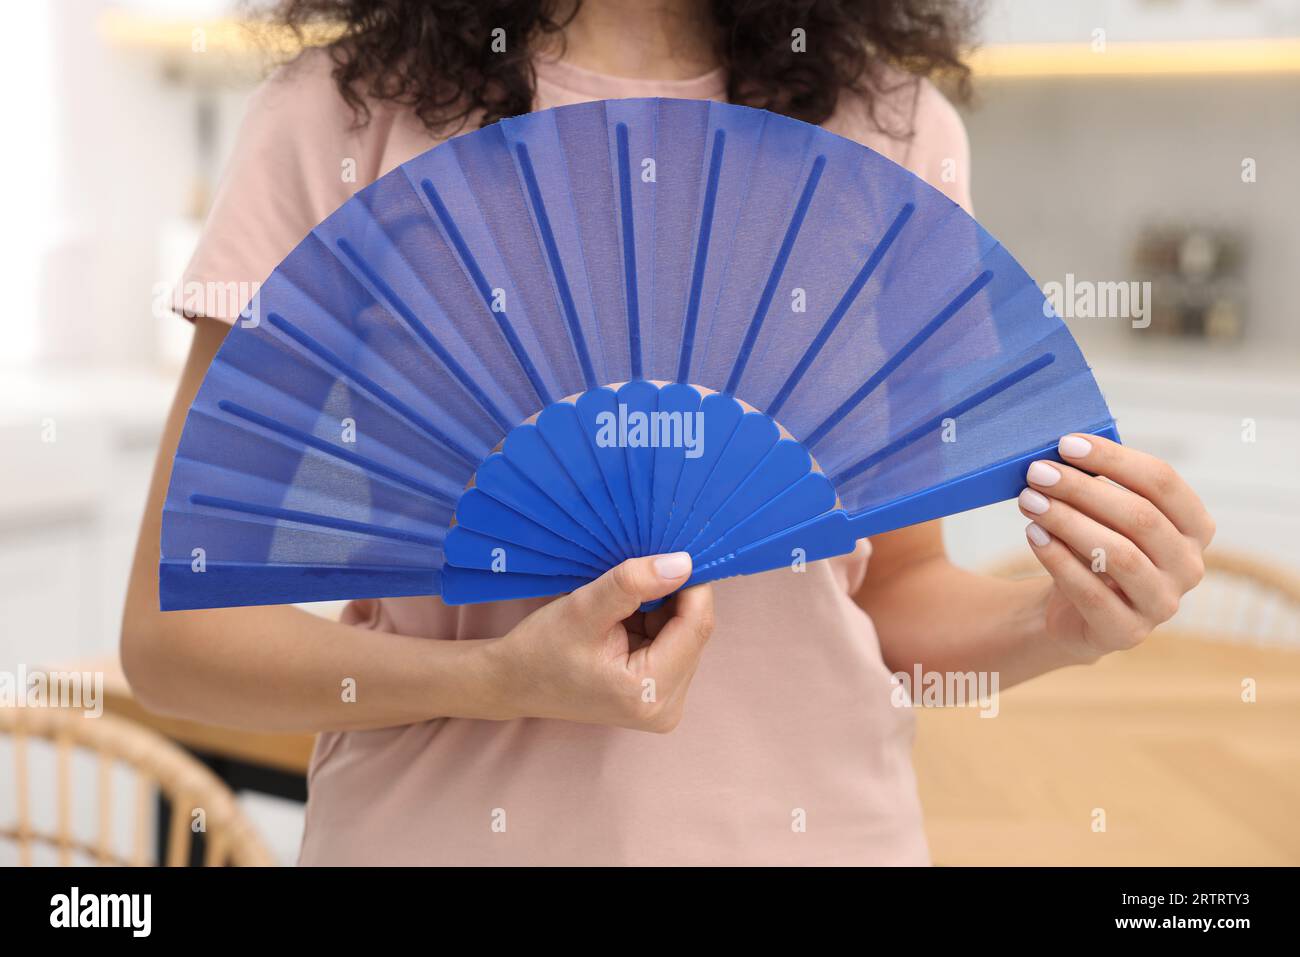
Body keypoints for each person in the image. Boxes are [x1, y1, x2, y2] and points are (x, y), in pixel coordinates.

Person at [122, 0, 1214, 865]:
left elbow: (887, 595)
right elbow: (181, 641)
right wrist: (498, 679)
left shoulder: (892, 127)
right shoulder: (341, 119)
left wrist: (1061, 621)